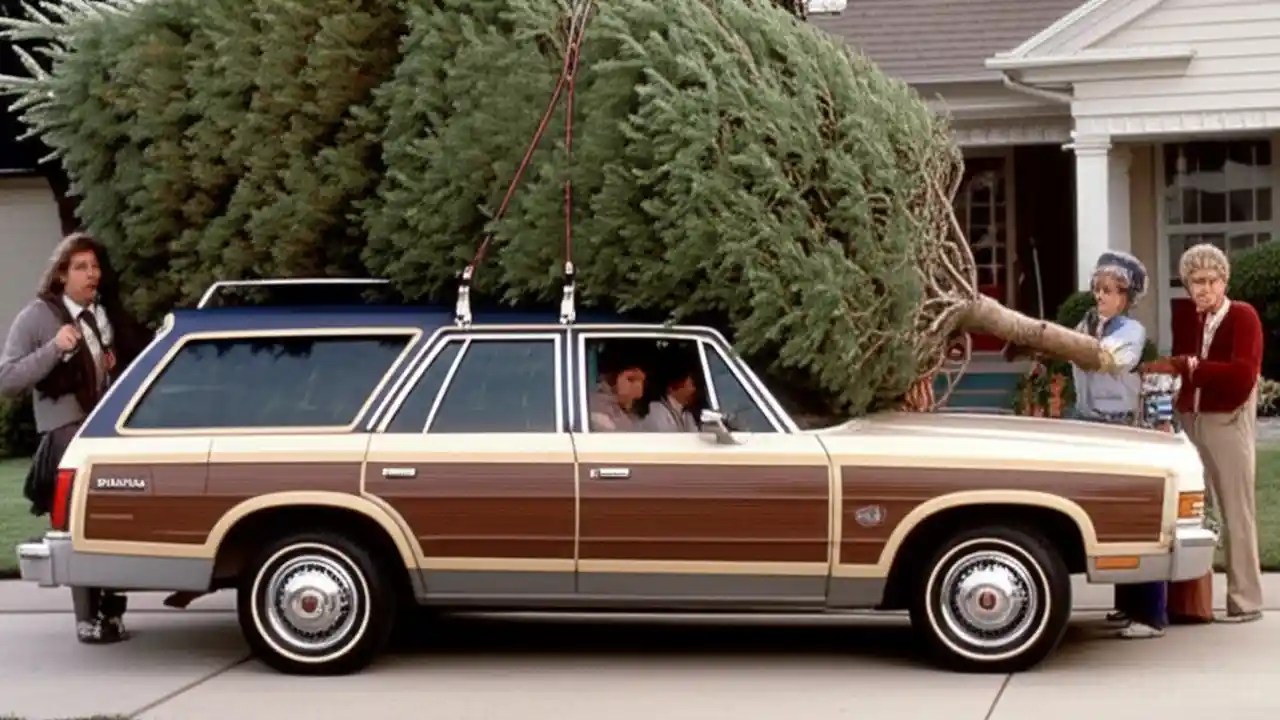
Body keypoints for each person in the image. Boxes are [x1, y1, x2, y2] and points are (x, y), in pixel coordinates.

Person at [0, 232, 147, 644]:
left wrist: (113, 367)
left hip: (107, 437)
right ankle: (86, 619)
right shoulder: (38, 316)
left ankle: (112, 614)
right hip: (67, 438)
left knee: (117, 524)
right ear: (61, 274)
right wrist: (54, 348)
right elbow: (8, 379)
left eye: (95, 266)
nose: (91, 274)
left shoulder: (105, 316)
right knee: (78, 528)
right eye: (81, 267)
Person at [1142, 242, 1264, 624]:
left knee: (1236, 512)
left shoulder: (1243, 316)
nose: (1205, 288)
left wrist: (1192, 367)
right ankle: (1190, 602)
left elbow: (1242, 375)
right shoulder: (1186, 317)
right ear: (1187, 284)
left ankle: (1245, 600)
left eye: (1212, 280)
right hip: (1190, 419)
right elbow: (1182, 368)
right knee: (1193, 510)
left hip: (1227, 420)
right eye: (1197, 281)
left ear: (1224, 281)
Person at [1065, 251, 1168, 639]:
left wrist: (1064, 341)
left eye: (1109, 290)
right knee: (1109, 518)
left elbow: (1110, 360)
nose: (1100, 296)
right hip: (1090, 425)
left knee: (1136, 517)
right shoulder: (1088, 324)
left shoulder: (1130, 332)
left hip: (1122, 428)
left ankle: (1151, 614)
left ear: (1126, 297)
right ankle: (1127, 604)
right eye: (1098, 289)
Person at [588, 361, 646, 431]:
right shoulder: (596, 407)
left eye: (642, 383)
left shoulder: (630, 413)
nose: (638, 392)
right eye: (631, 379)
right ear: (610, 377)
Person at [642, 365, 701, 432]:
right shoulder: (655, 411)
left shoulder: (688, 415)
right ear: (676, 384)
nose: (694, 389)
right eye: (691, 384)